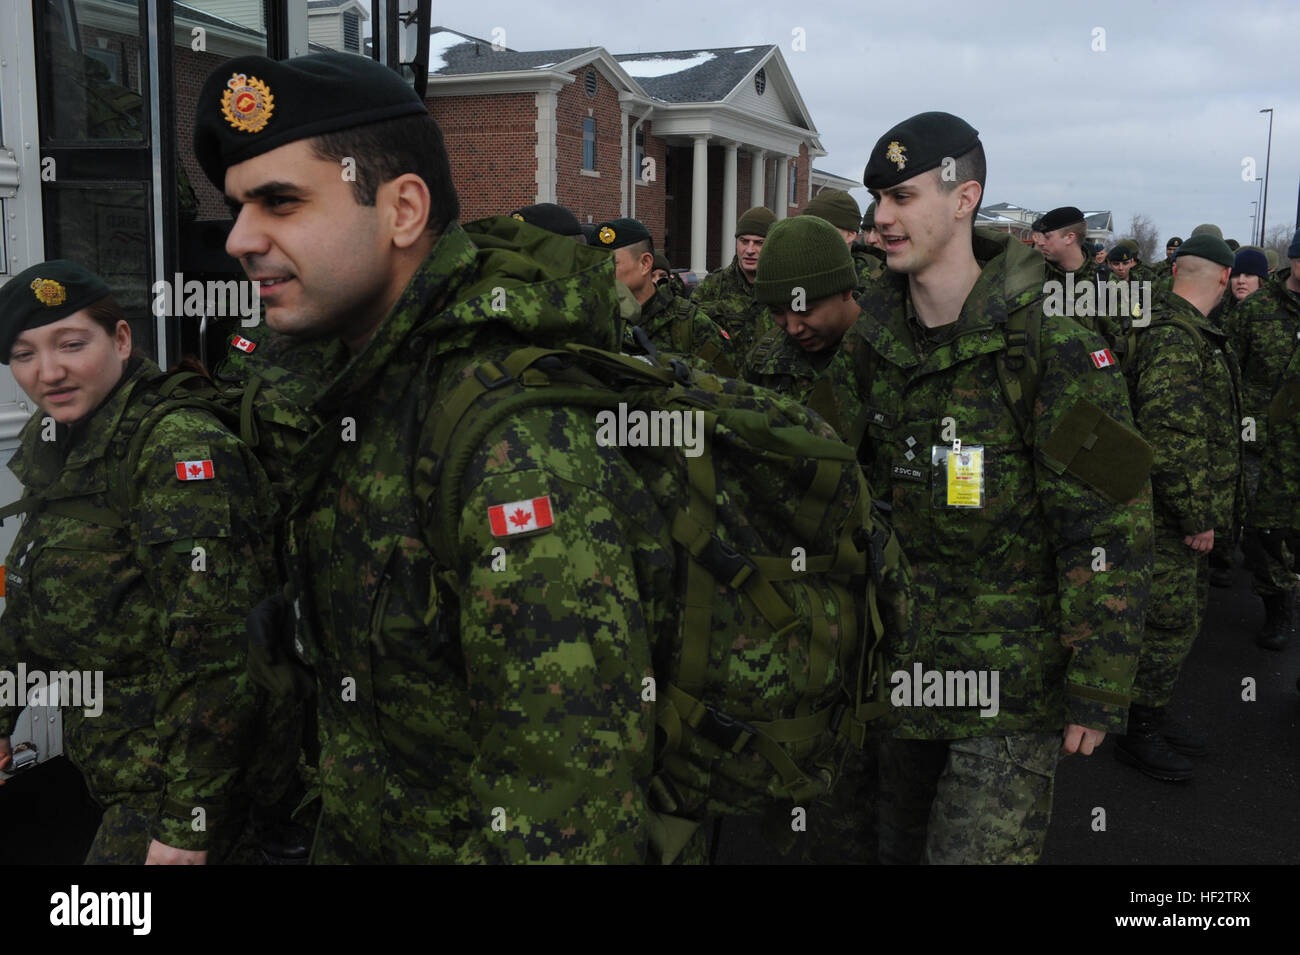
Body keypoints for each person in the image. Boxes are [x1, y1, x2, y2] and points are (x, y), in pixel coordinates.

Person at [194, 52, 677, 863]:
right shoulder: (359, 385)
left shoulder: (506, 442)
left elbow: (564, 814)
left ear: (403, 210)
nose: (240, 238)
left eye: (280, 201)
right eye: (240, 206)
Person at [853, 111, 1152, 864]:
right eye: (876, 199)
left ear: (964, 199)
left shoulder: (1049, 342)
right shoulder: (873, 339)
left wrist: (1099, 679)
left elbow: (1107, 521)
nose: (883, 217)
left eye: (903, 196)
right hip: (902, 669)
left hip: (1010, 685)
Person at [0, 261, 296, 864]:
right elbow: (32, 599)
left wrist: (190, 824)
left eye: (71, 344)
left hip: (181, 786)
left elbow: (219, 655)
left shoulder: (178, 449)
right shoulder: (64, 439)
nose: (48, 372)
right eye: (24, 353)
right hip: (115, 770)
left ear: (122, 340)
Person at [1115, 235, 1241, 780]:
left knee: (1178, 621)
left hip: (1174, 512)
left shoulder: (1178, 328)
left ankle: (1151, 716)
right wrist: (1197, 517)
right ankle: (1136, 732)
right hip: (1168, 518)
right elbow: (1172, 435)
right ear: (1221, 277)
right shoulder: (1175, 336)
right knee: (1166, 624)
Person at [1229, 230, 1300, 649]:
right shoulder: (1257, 310)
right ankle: (1278, 608)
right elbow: (1232, 372)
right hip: (1262, 443)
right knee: (1261, 531)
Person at [743, 215, 867, 439]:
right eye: (778, 312)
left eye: (804, 310)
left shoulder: (886, 359)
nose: (792, 328)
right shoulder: (765, 357)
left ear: (846, 289)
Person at [593, 216, 735, 375]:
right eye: (595, 264)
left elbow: (728, 387)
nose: (599, 272)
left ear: (645, 264)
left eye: (609, 263)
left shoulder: (690, 324)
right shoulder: (594, 320)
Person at [691, 205, 776, 356]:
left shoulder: (786, 287)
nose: (749, 250)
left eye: (759, 243)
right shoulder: (713, 286)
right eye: (744, 241)